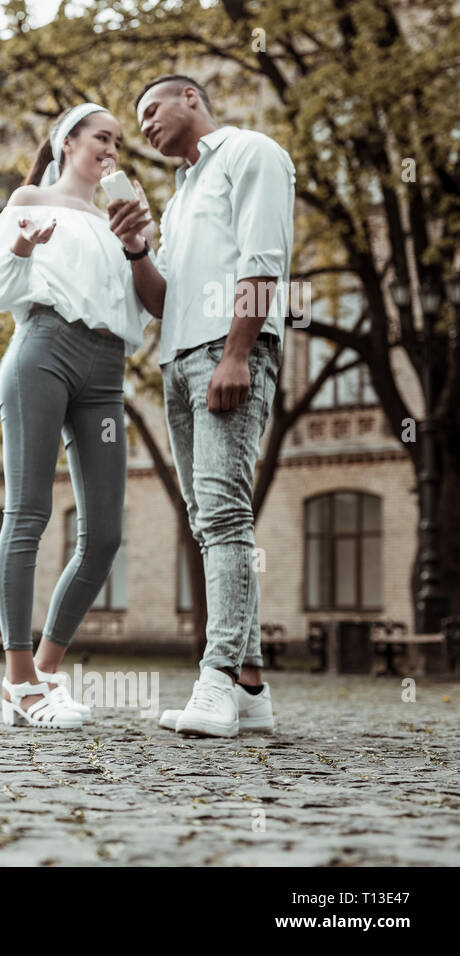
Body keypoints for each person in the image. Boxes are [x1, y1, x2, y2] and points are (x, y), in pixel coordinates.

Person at [111, 75, 292, 737]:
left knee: (221, 515)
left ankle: (215, 677)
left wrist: (238, 354)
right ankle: (250, 686)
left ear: (192, 98)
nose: (147, 124)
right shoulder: (181, 197)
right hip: (178, 363)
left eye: (151, 108)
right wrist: (136, 248)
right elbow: (164, 301)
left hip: (229, 352)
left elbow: (263, 260)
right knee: (209, 517)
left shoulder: (252, 153)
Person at [0, 102, 157, 731]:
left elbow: (151, 304)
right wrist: (21, 245)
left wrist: (137, 245)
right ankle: (18, 681)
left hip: (106, 372)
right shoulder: (32, 196)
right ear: (69, 141)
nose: (112, 148)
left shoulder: (122, 215)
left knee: (104, 533)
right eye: (102, 136)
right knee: (28, 513)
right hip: (44, 352)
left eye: (119, 142)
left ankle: (47, 672)